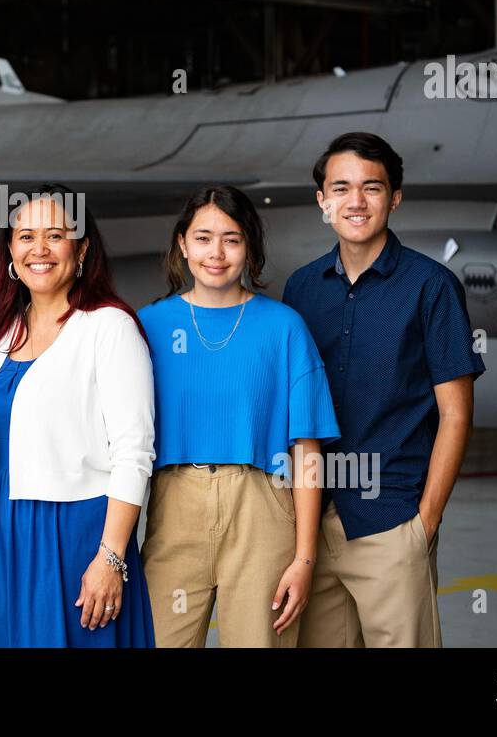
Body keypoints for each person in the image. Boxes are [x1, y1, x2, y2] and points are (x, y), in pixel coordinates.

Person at [283, 132, 485, 648]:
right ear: (322, 200)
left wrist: (426, 522)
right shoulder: (301, 289)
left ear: (394, 198)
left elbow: (456, 415)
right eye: (342, 188)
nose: (356, 201)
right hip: (312, 522)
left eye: (372, 188)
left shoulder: (431, 286)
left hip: (393, 520)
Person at [137, 185, 339, 647]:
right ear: (183, 245)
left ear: (250, 247)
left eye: (232, 238)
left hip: (262, 509)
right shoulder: (148, 326)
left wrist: (305, 558)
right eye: (204, 238)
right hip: (174, 506)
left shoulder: (284, 327)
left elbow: (306, 450)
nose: (217, 253)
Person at [0, 183, 156, 647]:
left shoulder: (109, 327)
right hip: (2, 529)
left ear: (82, 248)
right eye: (26, 236)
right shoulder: (1, 331)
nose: (40, 249)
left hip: (75, 533)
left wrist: (110, 557)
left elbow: (134, 451)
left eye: (55, 235)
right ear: (10, 250)